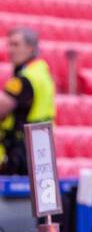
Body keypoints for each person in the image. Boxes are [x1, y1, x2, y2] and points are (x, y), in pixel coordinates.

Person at [0, 27, 56, 177]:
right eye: (9, 44)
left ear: (30, 48)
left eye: (16, 44)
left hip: (22, 149)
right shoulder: (42, 73)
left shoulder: (25, 79)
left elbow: (2, 108)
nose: (10, 50)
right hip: (40, 148)